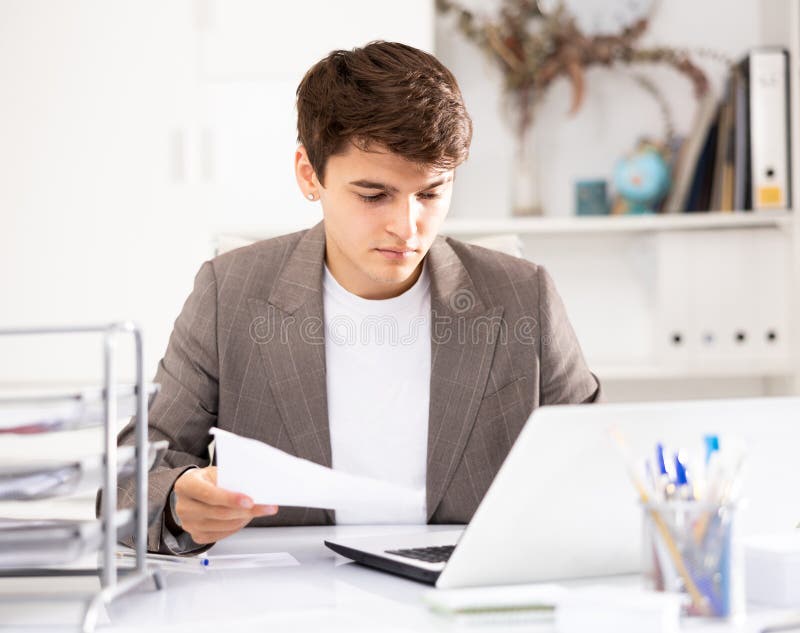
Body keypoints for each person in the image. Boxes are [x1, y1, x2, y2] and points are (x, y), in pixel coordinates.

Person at [116, 40, 601, 554]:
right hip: (288, 603)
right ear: (310, 174)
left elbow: (600, 466)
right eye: (374, 195)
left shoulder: (525, 296)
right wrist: (174, 501)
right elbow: (127, 482)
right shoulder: (229, 293)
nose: (407, 226)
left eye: (431, 193)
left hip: (464, 595)